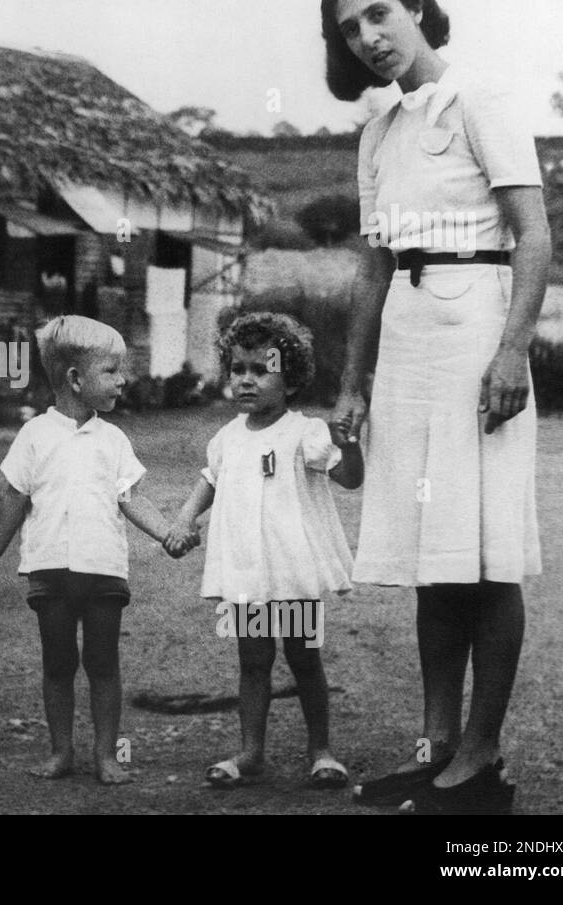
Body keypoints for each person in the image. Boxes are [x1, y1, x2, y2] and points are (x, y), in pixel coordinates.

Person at [323, 0, 550, 814]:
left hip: (477, 333)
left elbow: (534, 235)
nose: (368, 37)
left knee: (485, 553)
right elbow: (373, 267)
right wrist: (352, 383)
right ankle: (439, 749)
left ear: (416, 7)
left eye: (379, 14)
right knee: (435, 554)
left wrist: (512, 350)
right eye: (350, 29)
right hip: (409, 345)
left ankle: (481, 763)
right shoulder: (378, 134)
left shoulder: (479, 99)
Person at [165, 312, 363, 789]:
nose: (247, 380)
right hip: (248, 574)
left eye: (262, 369)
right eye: (238, 369)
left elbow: (350, 478)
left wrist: (350, 441)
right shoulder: (227, 437)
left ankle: (321, 751)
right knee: (253, 663)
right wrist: (186, 517)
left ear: (290, 380)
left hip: (292, 572)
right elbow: (210, 480)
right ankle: (251, 753)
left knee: (304, 659)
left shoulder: (305, 432)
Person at [0, 315, 175, 784]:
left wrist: (166, 532)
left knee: (103, 663)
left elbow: (132, 497)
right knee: (58, 663)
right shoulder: (34, 435)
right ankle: (61, 751)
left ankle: (106, 754)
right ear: (74, 378)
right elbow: (15, 497)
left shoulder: (114, 439)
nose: (122, 380)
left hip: (104, 570)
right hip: (49, 570)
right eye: (111, 371)